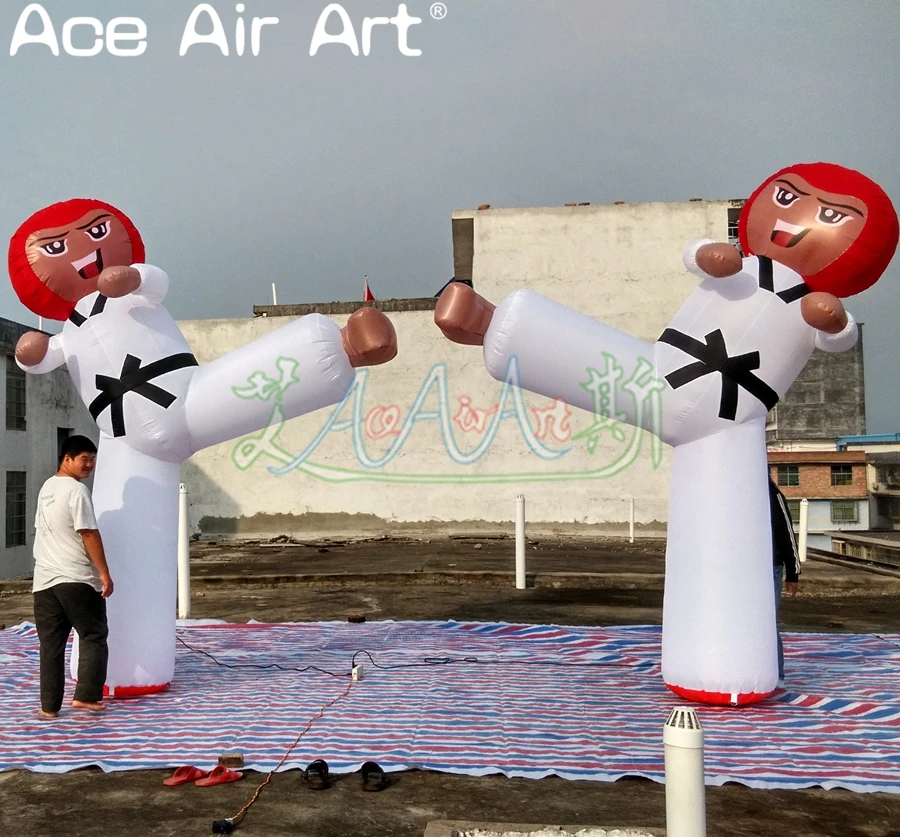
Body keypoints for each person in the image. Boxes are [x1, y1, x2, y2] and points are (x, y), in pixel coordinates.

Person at [32, 435, 113, 718]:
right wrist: (104, 573)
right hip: (76, 578)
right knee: (93, 634)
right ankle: (87, 696)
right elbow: (88, 532)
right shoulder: (77, 491)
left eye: (92, 459)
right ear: (67, 459)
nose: (89, 464)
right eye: (84, 459)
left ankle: (49, 707)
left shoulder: (47, 488)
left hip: (44, 582)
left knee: (51, 645)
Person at [769, 477, 800, 686]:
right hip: (739, 571)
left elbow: (787, 533)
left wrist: (793, 572)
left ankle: (777, 675)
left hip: (770, 568)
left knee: (767, 622)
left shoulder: (773, 496)